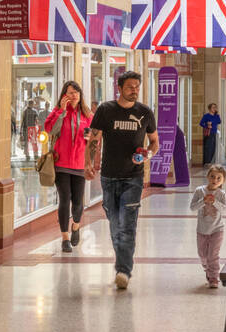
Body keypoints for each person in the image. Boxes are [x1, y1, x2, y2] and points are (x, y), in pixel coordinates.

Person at [86, 71, 158, 291]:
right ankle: (122, 265)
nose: (134, 90)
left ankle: (124, 271)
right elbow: (94, 139)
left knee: (127, 225)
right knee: (115, 226)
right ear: (120, 88)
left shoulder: (145, 113)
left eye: (137, 86)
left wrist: (147, 154)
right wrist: (89, 162)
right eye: (130, 87)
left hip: (133, 178)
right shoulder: (106, 110)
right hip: (109, 176)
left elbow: (155, 142)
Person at [41, 81, 92, 253]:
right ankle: (64, 238)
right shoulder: (57, 112)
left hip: (79, 165)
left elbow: (95, 139)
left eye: (76, 92)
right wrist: (60, 111)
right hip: (61, 164)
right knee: (64, 200)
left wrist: (92, 137)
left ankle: (76, 226)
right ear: (64, 95)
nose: (73, 95)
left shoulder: (87, 115)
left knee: (78, 202)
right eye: (70, 93)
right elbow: (50, 130)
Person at [190, 164, 226, 288]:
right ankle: (207, 268)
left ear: (223, 180)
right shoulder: (199, 191)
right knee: (202, 254)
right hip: (202, 230)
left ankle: (213, 277)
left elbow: (225, 210)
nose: (215, 180)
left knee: (213, 254)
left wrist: (215, 202)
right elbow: (192, 207)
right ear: (207, 176)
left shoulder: (221, 194)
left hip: (217, 229)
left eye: (219, 178)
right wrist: (203, 201)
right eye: (212, 177)